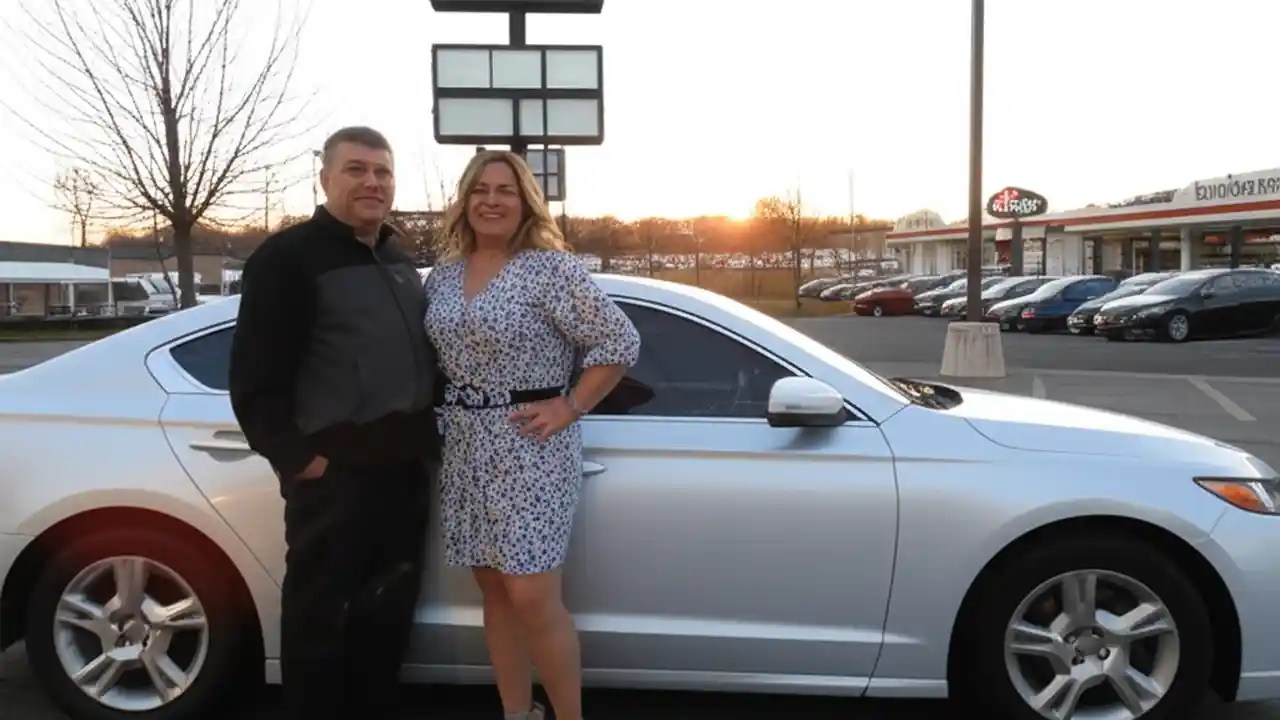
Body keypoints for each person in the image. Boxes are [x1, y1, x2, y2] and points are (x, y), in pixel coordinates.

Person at [228, 126, 440, 720]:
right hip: (336, 479)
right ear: (325, 179)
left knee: (387, 619)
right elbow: (254, 379)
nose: (372, 182)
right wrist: (302, 462)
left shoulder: (398, 258)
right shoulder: (287, 259)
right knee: (320, 623)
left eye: (383, 172)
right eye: (356, 170)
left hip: (404, 473)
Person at [423, 150, 640, 720]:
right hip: (465, 443)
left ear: (526, 203)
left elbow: (619, 342)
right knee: (494, 591)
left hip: (530, 446)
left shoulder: (550, 269)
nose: (491, 201)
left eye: (506, 191)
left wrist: (571, 406)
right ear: (465, 201)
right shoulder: (443, 275)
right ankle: (517, 712)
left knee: (532, 596)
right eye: (480, 190)